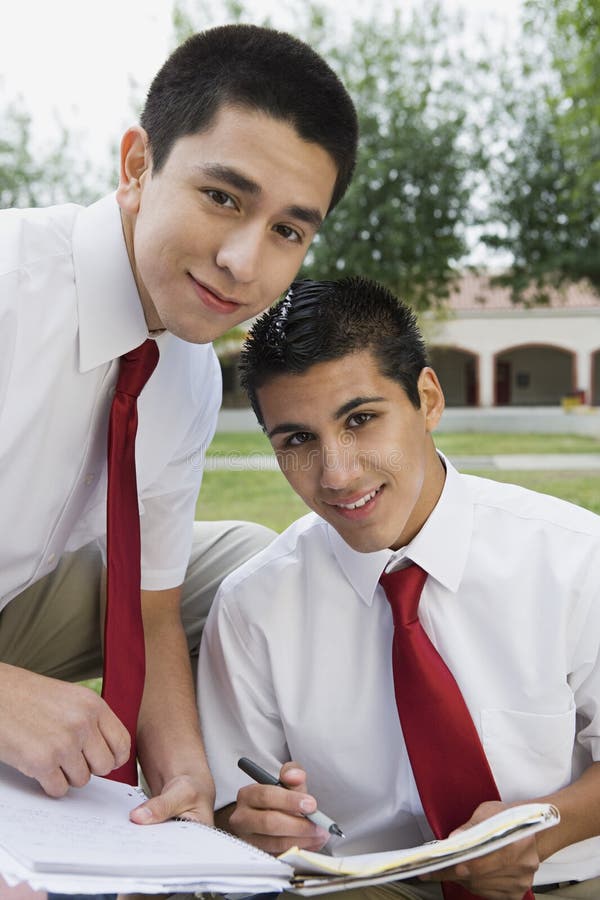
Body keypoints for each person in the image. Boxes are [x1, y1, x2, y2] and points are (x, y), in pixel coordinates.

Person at [0, 21, 358, 856]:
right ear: (137, 166)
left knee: (246, 560)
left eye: (288, 231)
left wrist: (188, 773)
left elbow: (151, 607)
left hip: (17, 602)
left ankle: (240, 816)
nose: (244, 263)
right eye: (224, 197)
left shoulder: (188, 370)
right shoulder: (11, 288)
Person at [198, 276, 600, 900]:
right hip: (368, 886)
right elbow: (231, 805)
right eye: (298, 439)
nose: (337, 473)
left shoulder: (575, 558)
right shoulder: (253, 606)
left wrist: (542, 828)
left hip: (566, 876)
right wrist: (251, 821)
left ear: (428, 400)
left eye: (360, 419)